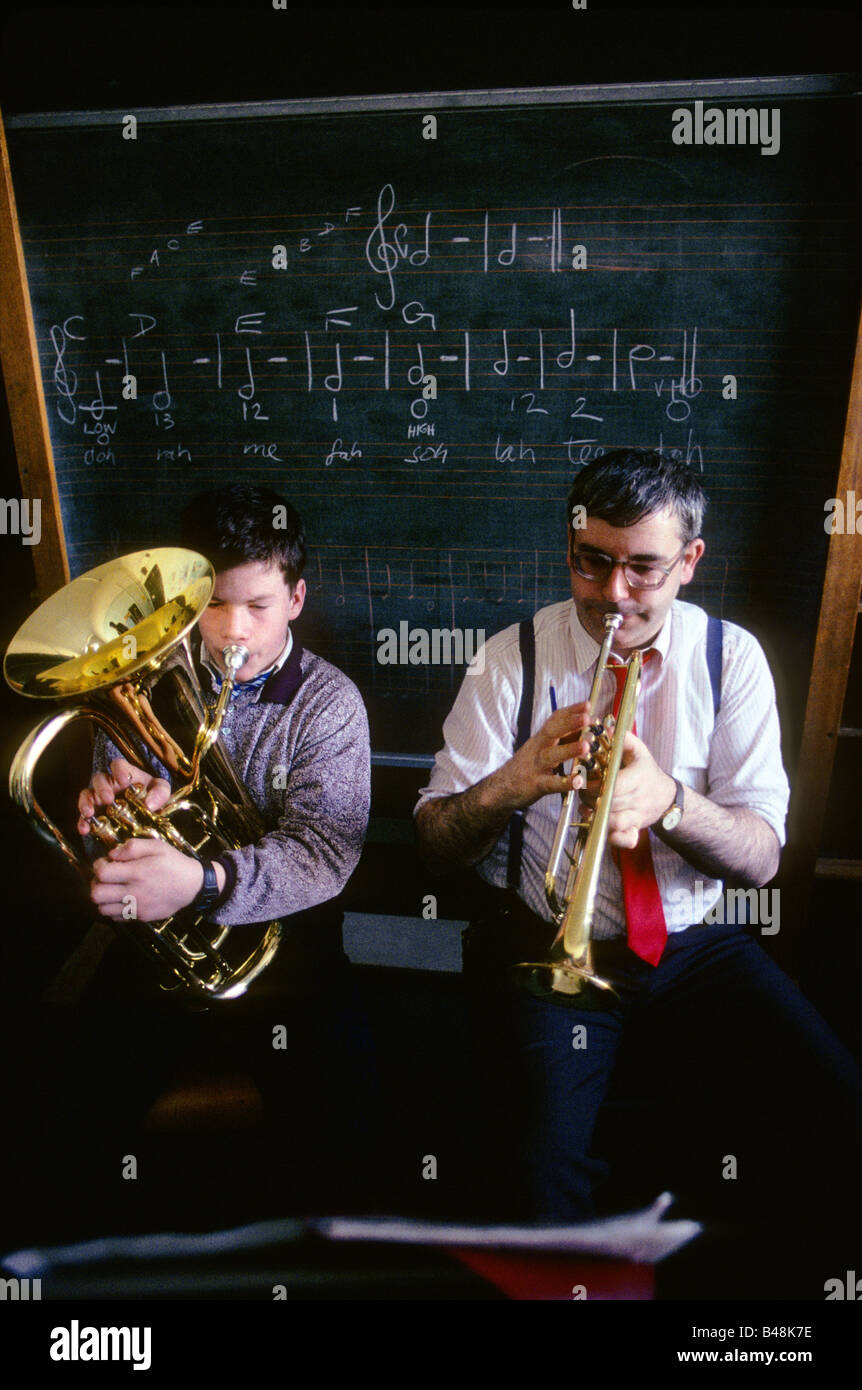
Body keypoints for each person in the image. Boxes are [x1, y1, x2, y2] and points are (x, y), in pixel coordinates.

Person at [414, 449, 862, 1290]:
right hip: (549, 945)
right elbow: (435, 842)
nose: (614, 594)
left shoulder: (735, 659)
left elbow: (763, 858)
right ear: (570, 547)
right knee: (539, 1181)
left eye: (643, 568)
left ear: (690, 562)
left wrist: (671, 804)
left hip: (695, 946)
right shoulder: (508, 657)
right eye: (593, 561)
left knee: (840, 1108)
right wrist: (510, 784)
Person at [63, 481, 377, 1225]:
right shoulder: (141, 685)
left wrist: (204, 880)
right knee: (69, 1097)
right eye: (214, 603)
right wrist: (106, 818)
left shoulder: (329, 703)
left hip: (288, 942)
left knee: (348, 1127)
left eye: (258, 605)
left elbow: (323, 853)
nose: (233, 630)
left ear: (296, 597)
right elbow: (121, 837)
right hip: (159, 940)